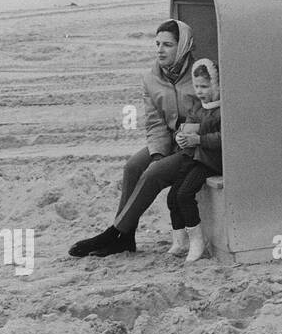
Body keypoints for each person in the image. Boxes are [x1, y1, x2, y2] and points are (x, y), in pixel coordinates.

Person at [69, 19, 199, 258]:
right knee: (133, 167)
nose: (160, 50)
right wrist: (158, 153)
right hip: (171, 141)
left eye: (168, 45)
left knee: (153, 174)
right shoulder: (152, 77)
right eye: (157, 43)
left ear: (182, 47)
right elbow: (155, 121)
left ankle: (114, 232)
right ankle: (126, 238)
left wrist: (187, 137)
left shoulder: (199, 73)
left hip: (195, 147)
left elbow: (210, 114)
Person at [167, 58, 223, 263]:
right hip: (196, 156)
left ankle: (197, 241)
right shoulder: (199, 107)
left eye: (205, 86)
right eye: (197, 86)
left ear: (216, 85)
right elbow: (189, 125)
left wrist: (198, 139)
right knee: (173, 196)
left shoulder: (221, 110)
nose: (200, 91)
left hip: (211, 161)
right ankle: (180, 240)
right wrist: (182, 137)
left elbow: (223, 138)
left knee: (184, 194)